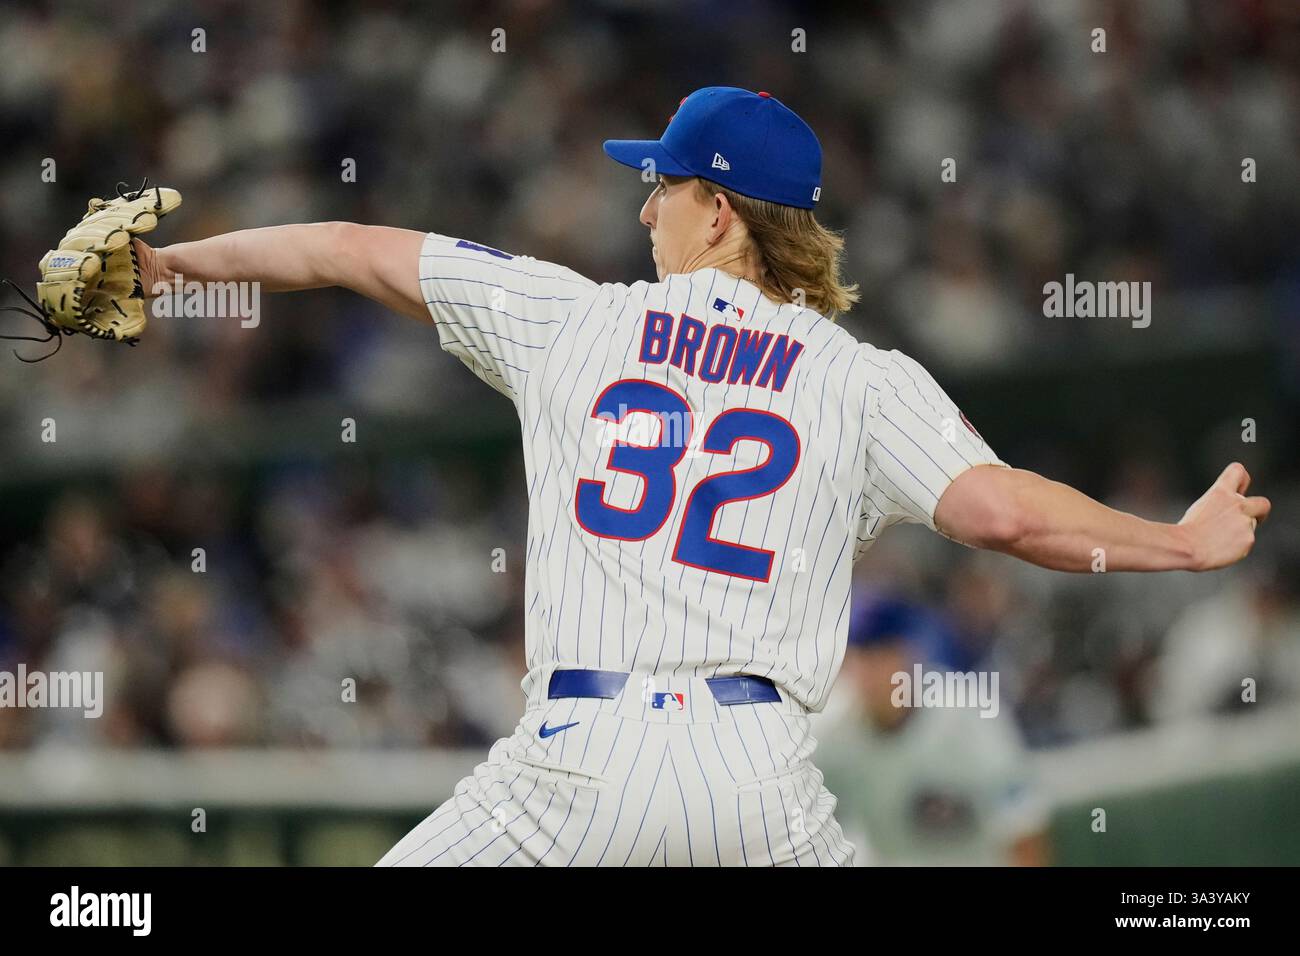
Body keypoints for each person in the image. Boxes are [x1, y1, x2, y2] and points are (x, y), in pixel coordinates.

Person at [131, 86, 1267, 866]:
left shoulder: (570, 318)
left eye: (662, 185)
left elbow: (342, 245)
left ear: (717, 210)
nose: (643, 206)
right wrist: (1177, 540)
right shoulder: (859, 379)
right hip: (754, 776)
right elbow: (1005, 513)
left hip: (569, 767)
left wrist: (177, 266)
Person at [815, 594, 1050, 866]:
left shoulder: (967, 712)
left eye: (881, 654)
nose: (869, 671)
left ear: (910, 652)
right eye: (859, 657)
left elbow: (1024, 826)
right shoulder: (836, 735)